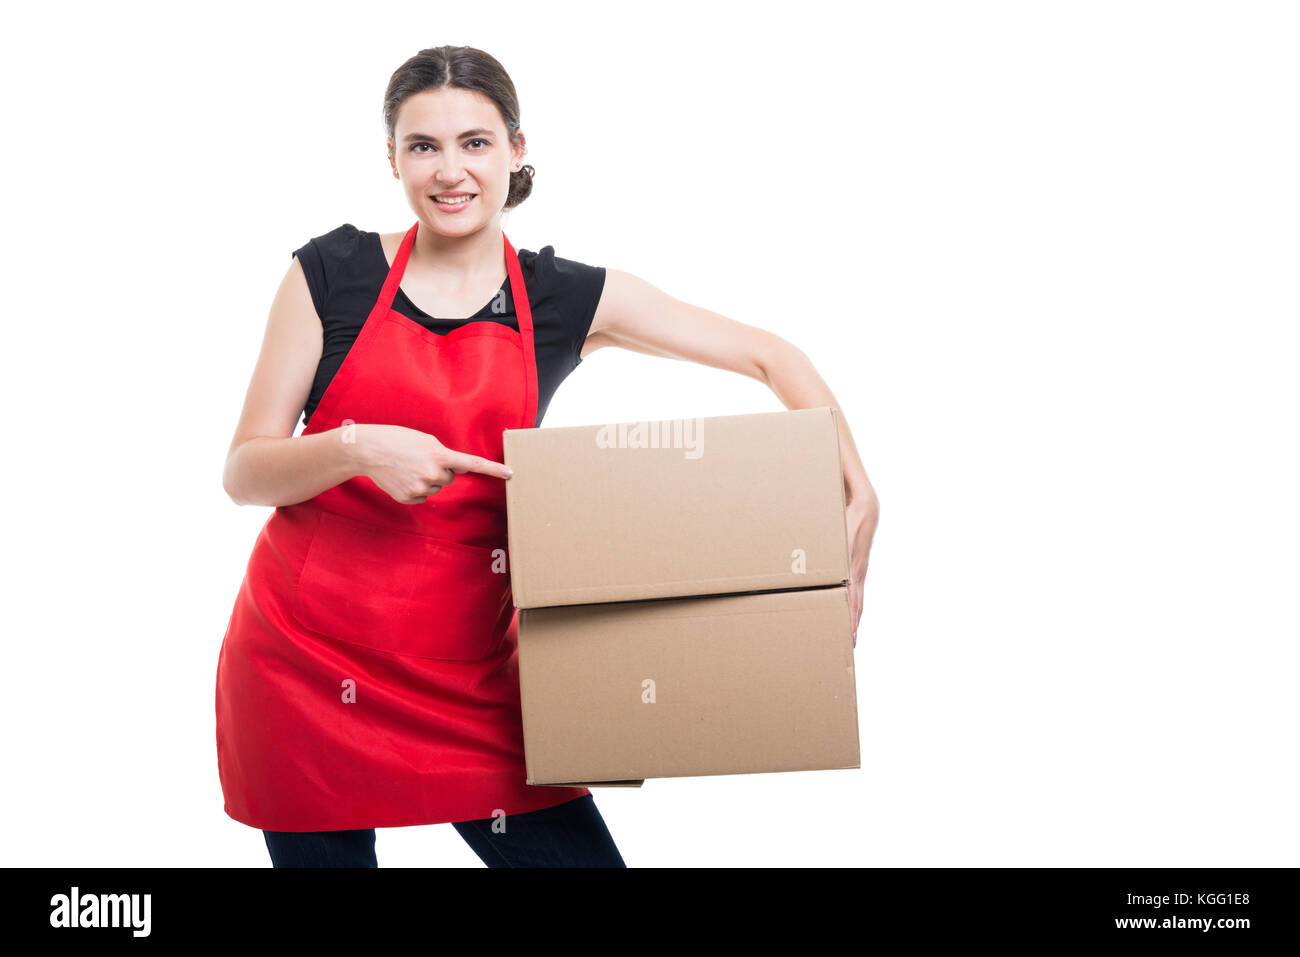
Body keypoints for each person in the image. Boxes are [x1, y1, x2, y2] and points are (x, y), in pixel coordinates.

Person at [216, 45, 879, 868]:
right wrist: (356, 447)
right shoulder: (331, 274)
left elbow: (769, 356)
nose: (449, 170)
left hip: (471, 679)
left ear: (516, 150)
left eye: (475, 142)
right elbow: (245, 467)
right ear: (391, 159)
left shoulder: (562, 297)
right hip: (303, 663)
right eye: (422, 146)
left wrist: (857, 484)